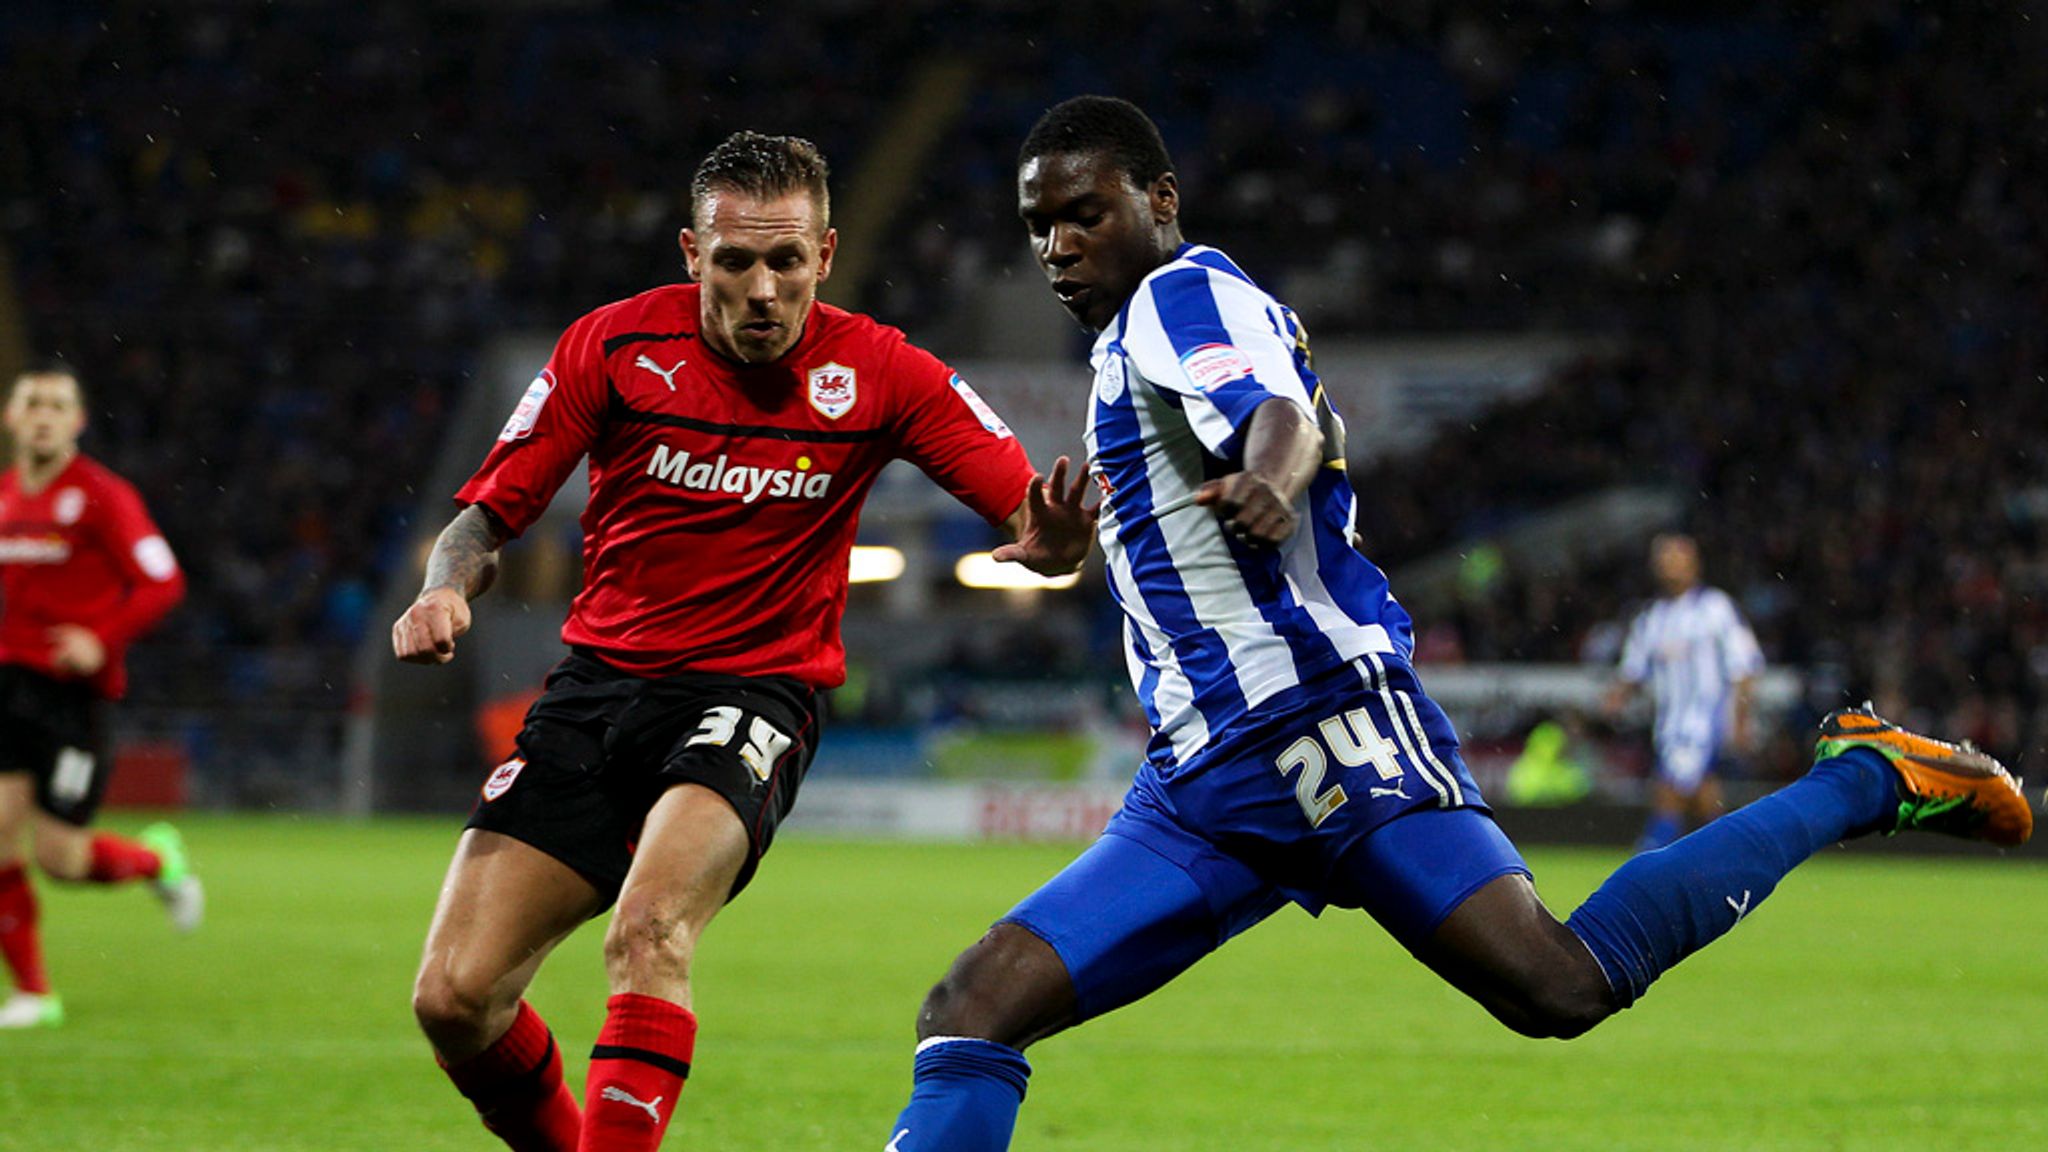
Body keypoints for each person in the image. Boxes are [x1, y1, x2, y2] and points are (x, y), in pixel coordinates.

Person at [881, 96, 2035, 1151]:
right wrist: (1075, 550)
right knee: (969, 1011)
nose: (1057, 246)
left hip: (1319, 728)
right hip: (1200, 779)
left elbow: (1277, 414)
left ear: (1159, 200)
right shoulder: (1129, 342)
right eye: (1037, 227)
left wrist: (1272, 476)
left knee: (1557, 983)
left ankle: (1864, 779)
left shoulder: (1181, 299)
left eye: (1082, 215)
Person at [393, 131, 1090, 1152]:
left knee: (649, 929)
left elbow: (1031, 519)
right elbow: (482, 520)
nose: (763, 290)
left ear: (825, 255)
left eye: (786, 261)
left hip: (753, 695)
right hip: (596, 692)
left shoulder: (884, 370)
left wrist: (1057, 542)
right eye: (735, 261)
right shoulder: (611, 348)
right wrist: (442, 588)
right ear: (692, 253)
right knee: (454, 999)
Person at [0, 361, 199, 1030]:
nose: (43, 416)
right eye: (32, 403)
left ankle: (156, 861)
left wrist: (99, 638)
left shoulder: (101, 496)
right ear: (11, 417)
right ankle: (34, 994)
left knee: (60, 860)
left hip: (72, 699)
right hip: (9, 687)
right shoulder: (5, 497)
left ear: (78, 422)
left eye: (57, 405)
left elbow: (163, 581)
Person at [1604, 533, 1765, 850]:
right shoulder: (1652, 617)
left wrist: (1741, 717)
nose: (1669, 565)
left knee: (1669, 791)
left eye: (1675, 558)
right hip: (1668, 723)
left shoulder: (1715, 608)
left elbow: (1745, 665)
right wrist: (1616, 698)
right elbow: (1633, 669)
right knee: (1702, 795)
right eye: (1663, 559)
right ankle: (1729, 856)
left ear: (1694, 563)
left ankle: (1649, 858)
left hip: (1703, 720)